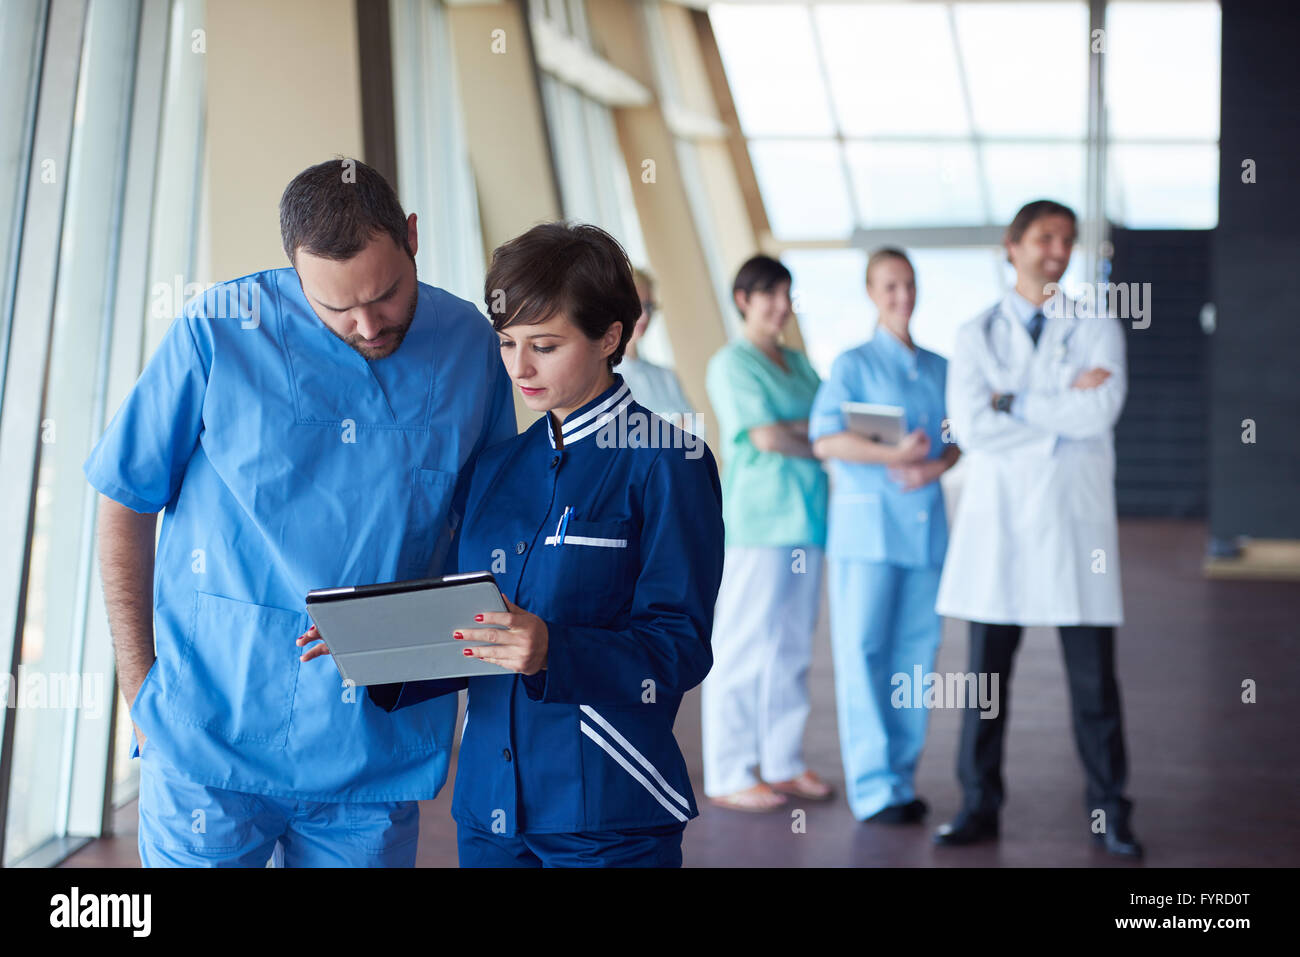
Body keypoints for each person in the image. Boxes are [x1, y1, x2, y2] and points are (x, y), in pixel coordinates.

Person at [84, 159, 516, 867]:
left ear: (413, 237)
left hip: (371, 751)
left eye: (386, 295)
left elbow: (494, 533)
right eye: (337, 309)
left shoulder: (471, 345)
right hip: (208, 732)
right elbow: (123, 495)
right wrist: (140, 688)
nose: (367, 324)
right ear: (293, 270)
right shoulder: (218, 330)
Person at [304, 222, 725, 867]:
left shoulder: (668, 463)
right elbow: (474, 626)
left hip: (606, 809)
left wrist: (555, 648)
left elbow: (680, 648)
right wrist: (377, 641)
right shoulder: (496, 467)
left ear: (611, 336)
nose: (519, 368)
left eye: (545, 345)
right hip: (489, 809)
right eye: (507, 343)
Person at [933, 199, 1142, 858]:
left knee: (1094, 685)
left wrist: (1013, 402)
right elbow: (970, 424)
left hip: (1075, 525)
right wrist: (1054, 407)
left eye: (1067, 239)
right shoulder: (976, 332)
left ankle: (1110, 812)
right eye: (1045, 237)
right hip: (999, 528)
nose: (1058, 249)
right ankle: (977, 803)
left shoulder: (1097, 323)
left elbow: (1101, 409)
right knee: (984, 683)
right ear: (1012, 244)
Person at [809, 248, 959, 824]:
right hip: (867, 532)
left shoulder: (941, 367)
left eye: (909, 284)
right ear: (872, 292)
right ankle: (873, 789)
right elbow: (827, 439)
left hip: (923, 530)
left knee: (917, 656)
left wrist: (933, 465)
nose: (902, 295)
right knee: (865, 652)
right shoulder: (851, 365)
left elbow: (955, 437)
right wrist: (891, 454)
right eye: (890, 285)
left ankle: (902, 778)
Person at [701, 254, 832, 811]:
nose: (781, 306)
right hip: (759, 523)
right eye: (769, 295)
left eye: (786, 295)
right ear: (743, 301)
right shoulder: (733, 363)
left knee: (792, 646)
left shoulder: (799, 364)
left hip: (810, 520)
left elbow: (829, 423)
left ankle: (781, 761)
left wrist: (801, 431)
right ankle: (730, 770)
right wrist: (814, 437)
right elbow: (769, 436)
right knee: (744, 642)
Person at [613, 268, 705, 440]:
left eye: (648, 307)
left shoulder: (665, 376)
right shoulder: (603, 380)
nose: (644, 315)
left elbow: (696, 434)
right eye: (636, 305)